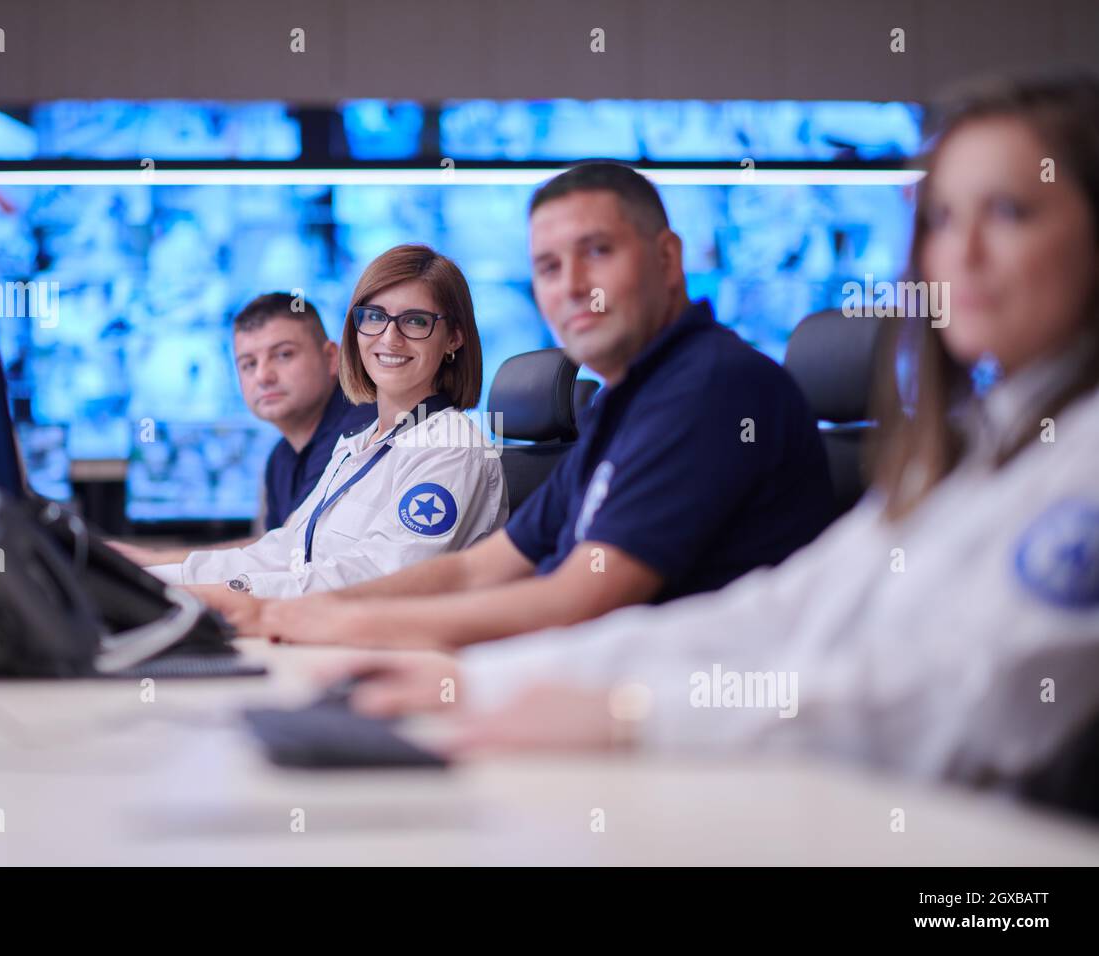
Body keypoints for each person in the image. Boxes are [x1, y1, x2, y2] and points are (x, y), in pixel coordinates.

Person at [326, 75, 1099, 796]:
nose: (958, 256)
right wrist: (493, 684)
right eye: (940, 219)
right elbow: (779, 613)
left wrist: (631, 714)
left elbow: (960, 700)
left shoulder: (1078, 457)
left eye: (1009, 212)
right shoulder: (980, 445)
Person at [250, 162, 835, 647]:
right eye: (549, 267)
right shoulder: (619, 407)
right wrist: (308, 612)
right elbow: (476, 570)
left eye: (598, 251)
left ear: (667, 258)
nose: (573, 285)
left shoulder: (714, 388)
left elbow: (580, 600)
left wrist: (345, 622)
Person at [149, 243, 508, 606]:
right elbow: (286, 550)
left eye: (415, 321)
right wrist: (158, 579)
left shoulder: (451, 447)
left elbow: (381, 581)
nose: (389, 338)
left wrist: (222, 594)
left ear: (454, 338)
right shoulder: (357, 444)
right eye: (374, 317)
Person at [113, 292, 374, 566]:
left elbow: (288, 555)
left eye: (284, 355)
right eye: (249, 364)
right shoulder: (280, 458)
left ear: (332, 358)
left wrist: (153, 562)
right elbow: (271, 556)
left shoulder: (361, 433)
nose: (263, 376)